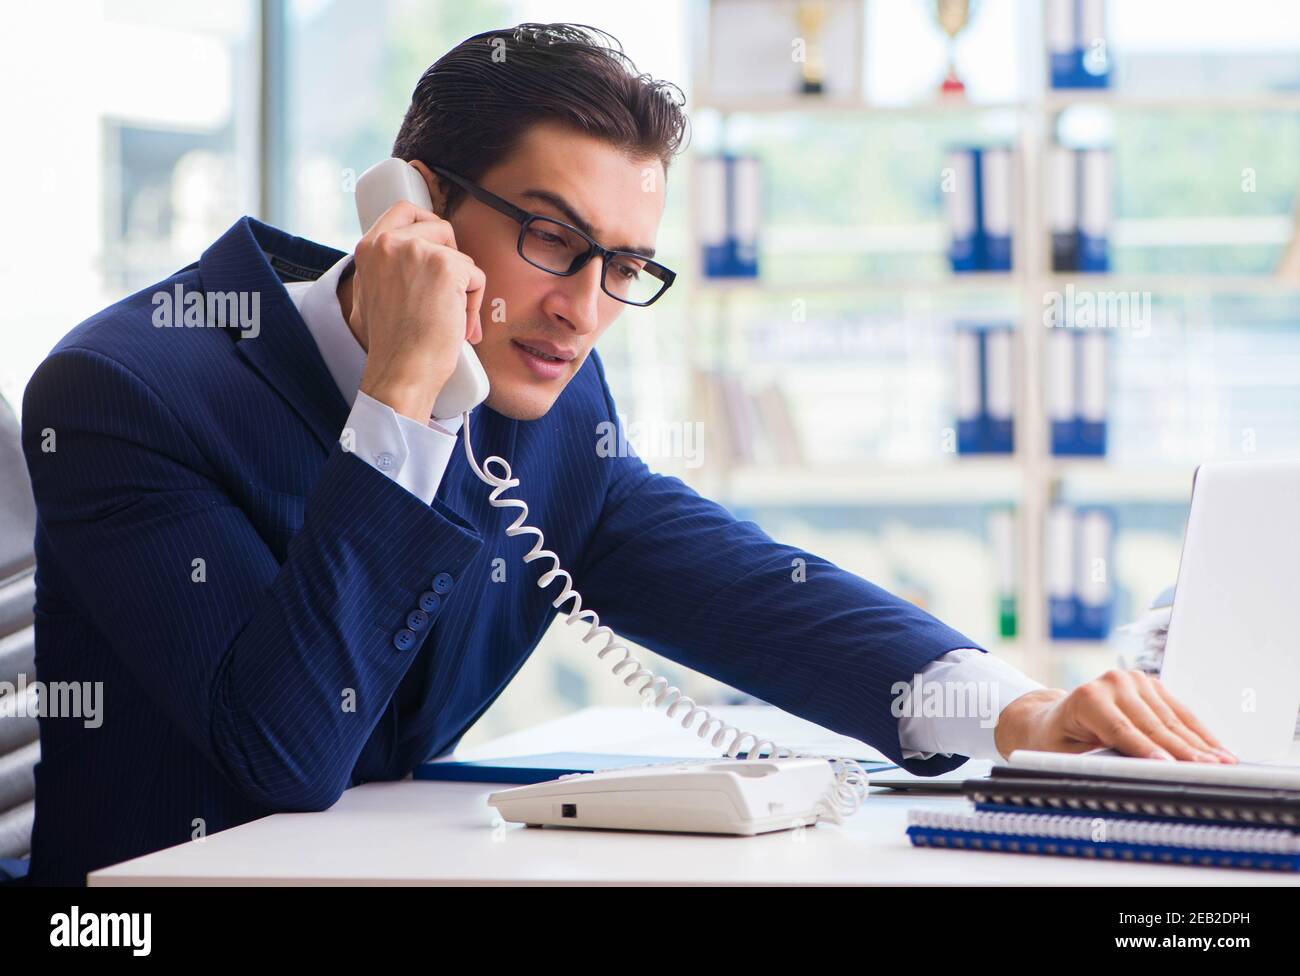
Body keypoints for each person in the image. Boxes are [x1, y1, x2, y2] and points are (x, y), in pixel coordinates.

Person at [19, 22, 1233, 886]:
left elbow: (728, 580)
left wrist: (1013, 709)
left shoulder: (545, 381)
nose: (584, 311)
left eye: (625, 266)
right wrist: (405, 397)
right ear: (414, 206)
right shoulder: (129, 391)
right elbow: (284, 752)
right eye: (554, 239)